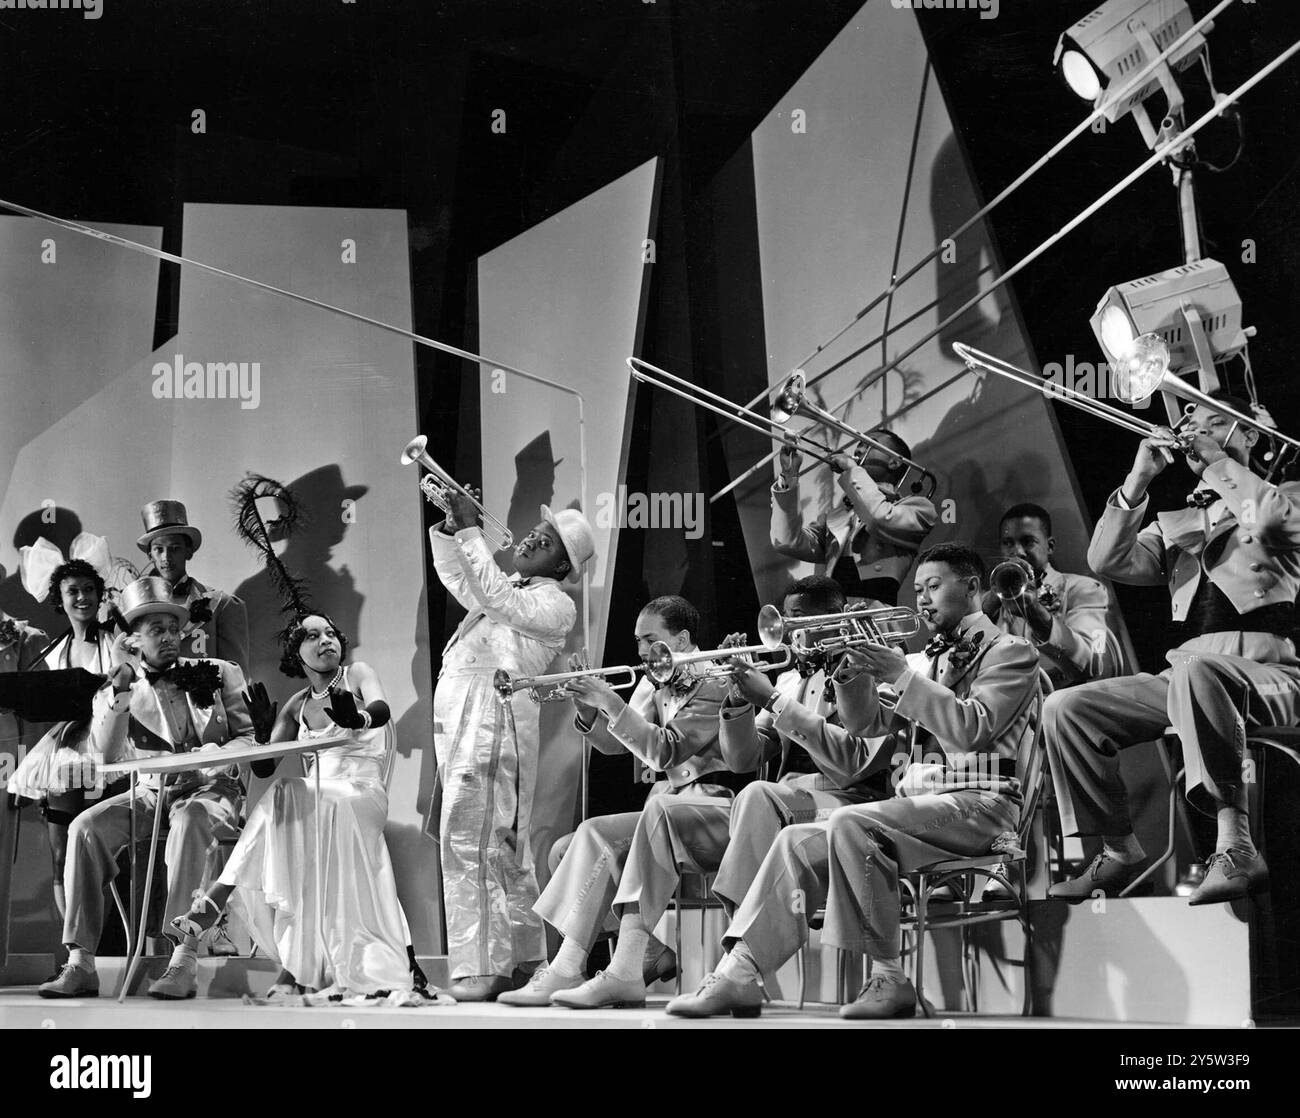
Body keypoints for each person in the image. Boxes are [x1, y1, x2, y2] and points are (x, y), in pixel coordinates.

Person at [667, 543, 1037, 1019]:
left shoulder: (1011, 652)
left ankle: (888, 977)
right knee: (796, 841)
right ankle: (740, 973)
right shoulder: (929, 660)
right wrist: (850, 673)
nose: (923, 599)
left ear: (971, 588)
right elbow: (867, 727)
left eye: (934, 586)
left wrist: (901, 675)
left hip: (985, 803)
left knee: (854, 822)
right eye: (918, 588)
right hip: (926, 803)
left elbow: (973, 727)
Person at [1044, 394, 1300, 906]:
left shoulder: (1284, 493)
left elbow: (1273, 521)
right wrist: (1137, 481)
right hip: (1189, 670)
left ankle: (1235, 844)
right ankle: (1118, 849)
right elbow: (1107, 560)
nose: (1196, 432)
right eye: (1190, 424)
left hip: (1272, 671)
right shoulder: (1181, 519)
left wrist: (1221, 463)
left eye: (1215, 424)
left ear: (1250, 435)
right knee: (1067, 708)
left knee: (1199, 669)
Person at [502, 595, 731, 1009]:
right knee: (563, 850)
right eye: (638, 641)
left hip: (711, 803)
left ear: (680, 639)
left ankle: (568, 963)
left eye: (650, 639)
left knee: (593, 833)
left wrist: (611, 701)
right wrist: (588, 711)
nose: (641, 651)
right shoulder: (656, 677)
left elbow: (663, 752)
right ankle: (649, 953)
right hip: (665, 805)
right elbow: (615, 746)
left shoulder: (714, 676)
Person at [170, 613, 416, 997]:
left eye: (331, 633)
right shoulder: (297, 704)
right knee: (293, 845)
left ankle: (216, 897)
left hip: (361, 793)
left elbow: (381, 708)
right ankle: (296, 970)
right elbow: (265, 768)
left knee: (286, 794)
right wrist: (263, 734)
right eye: (312, 636)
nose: (326, 641)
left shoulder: (357, 674)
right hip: (319, 799)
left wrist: (360, 715)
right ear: (296, 652)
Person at [38, 577, 251, 1000]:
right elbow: (107, 755)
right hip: (151, 794)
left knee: (190, 820)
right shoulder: (119, 688)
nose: (170, 638)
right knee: (84, 827)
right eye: (158, 631)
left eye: (174, 629)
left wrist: (214, 752)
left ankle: (182, 957)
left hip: (211, 791)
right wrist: (120, 687)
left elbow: (249, 739)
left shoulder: (218, 672)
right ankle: (81, 963)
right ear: (135, 639)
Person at [431, 490, 593, 1001]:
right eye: (534, 532)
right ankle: (525, 960)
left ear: (563, 565)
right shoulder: (508, 587)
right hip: (465, 717)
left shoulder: (554, 603)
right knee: (500, 849)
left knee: (468, 838)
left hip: (488, 717)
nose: (528, 539)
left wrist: (469, 532)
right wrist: (448, 531)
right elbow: (463, 579)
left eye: (543, 542)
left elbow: (496, 596)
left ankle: (481, 965)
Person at [7, 558, 119, 925]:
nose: (83, 598)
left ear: (100, 595)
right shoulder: (52, 650)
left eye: (89, 590)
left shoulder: (116, 642)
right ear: (60, 598)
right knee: (62, 853)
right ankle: (75, 948)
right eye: (73, 591)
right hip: (68, 749)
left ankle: (114, 944)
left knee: (106, 850)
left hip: (111, 746)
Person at [771, 431, 936, 606]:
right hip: (833, 612)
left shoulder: (919, 508)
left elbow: (878, 518)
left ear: (894, 462)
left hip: (876, 616)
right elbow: (787, 542)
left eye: (869, 443)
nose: (859, 448)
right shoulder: (835, 515)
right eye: (858, 444)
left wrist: (852, 470)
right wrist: (789, 475)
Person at [984, 502, 1119, 688]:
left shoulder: (1085, 589)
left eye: (1028, 542)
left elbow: (1093, 663)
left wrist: (1036, 613)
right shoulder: (990, 598)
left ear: (1050, 546)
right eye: (1008, 543)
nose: (1017, 553)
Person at [137, 500, 249, 671]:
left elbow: (236, 675)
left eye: (175, 548)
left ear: (188, 551)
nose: (166, 557)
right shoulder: (136, 607)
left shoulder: (221, 604)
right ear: (149, 555)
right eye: (159, 549)